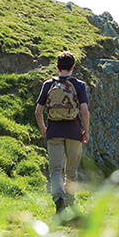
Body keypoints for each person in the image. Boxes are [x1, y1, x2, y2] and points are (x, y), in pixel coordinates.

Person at [34, 51, 91, 213]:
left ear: (57, 67)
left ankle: (58, 199)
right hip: (74, 132)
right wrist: (86, 131)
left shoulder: (48, 84)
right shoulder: (79, 85)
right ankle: (70, 204)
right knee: (71, 172)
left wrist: (44, 129)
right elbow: (84, 111)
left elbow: (38, 111)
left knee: (56, 170)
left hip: (54, 131)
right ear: (73, 67)